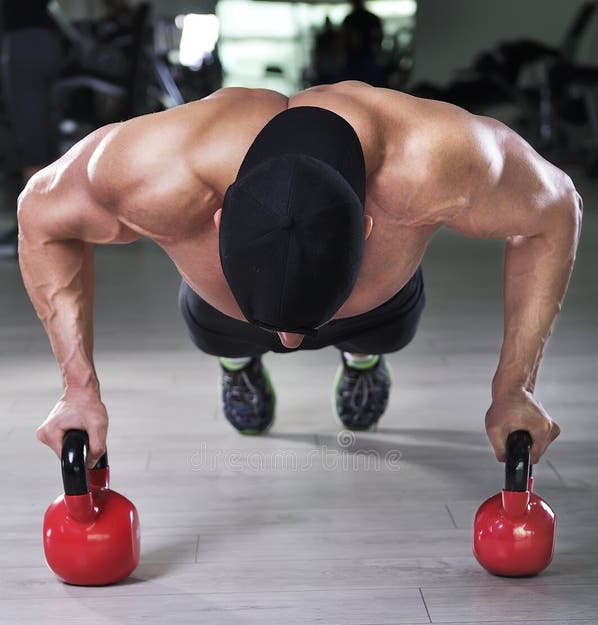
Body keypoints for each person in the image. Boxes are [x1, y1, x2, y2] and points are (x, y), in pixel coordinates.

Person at [16, 83, 581, 468]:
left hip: (378, 307)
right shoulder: (149, 171)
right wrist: (77, 391)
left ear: (366, 227)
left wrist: (515, 389)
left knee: (384, 331)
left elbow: (556, 209)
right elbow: (38, 217)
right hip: (223, 315)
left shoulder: (438, 160)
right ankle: (238, 363)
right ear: (219, 218)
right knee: (218, 331)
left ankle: (362, 358)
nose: (291, 342)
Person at [0, 0, 64, 258]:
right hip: (47, 38)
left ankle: (32, 230)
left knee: (32, 137)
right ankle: (48, 226)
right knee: (43, 134)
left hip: (24, 41)